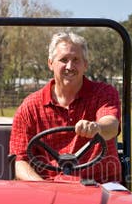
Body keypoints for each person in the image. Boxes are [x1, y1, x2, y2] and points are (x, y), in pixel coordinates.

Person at [9, 32, 122, 183]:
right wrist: (42, 188)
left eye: (76, 60)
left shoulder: (103, 93)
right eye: (63, 60)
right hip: (49, 188)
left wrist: (97, 127)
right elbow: (19, 160)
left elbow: (111, 126)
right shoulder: (30, 106)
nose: (70, 66)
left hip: (99, 184)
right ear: (50, 63)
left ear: (85, 64)